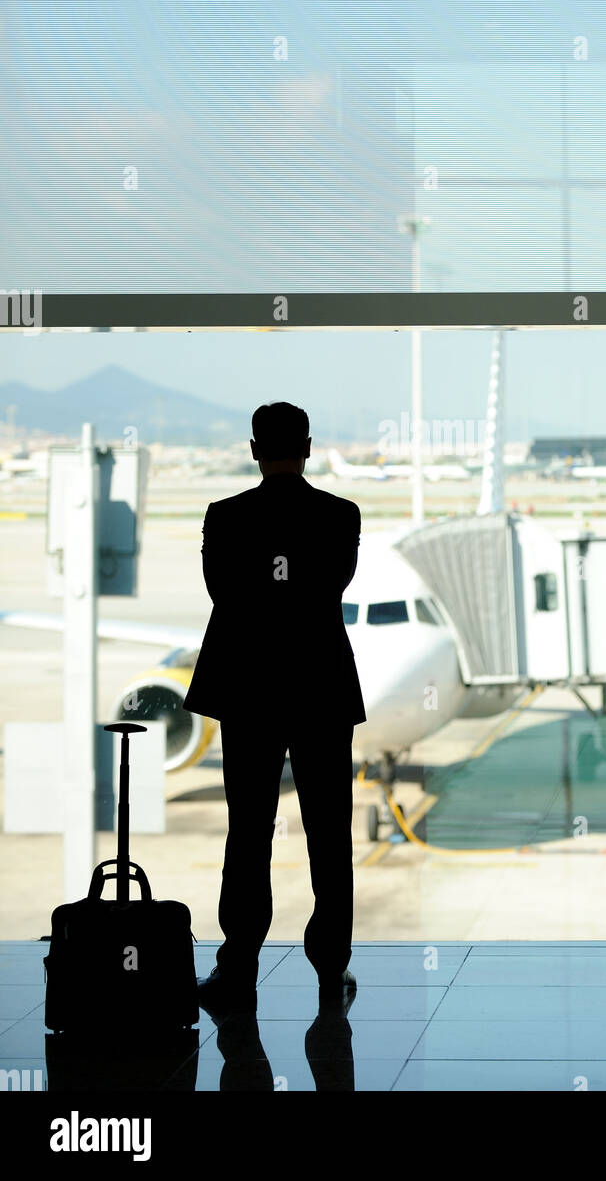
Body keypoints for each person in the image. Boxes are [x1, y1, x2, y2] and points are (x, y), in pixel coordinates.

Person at [183, 401, 366, 1011]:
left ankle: (238, 968)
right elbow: (328, 587)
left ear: (255, 449)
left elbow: (225, 595)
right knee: (328, 835)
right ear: (308, 447)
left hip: (250, 691)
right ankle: (329, 971)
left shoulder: (225, 517)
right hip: (319, 690)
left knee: (249, 832)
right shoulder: (341, 516)